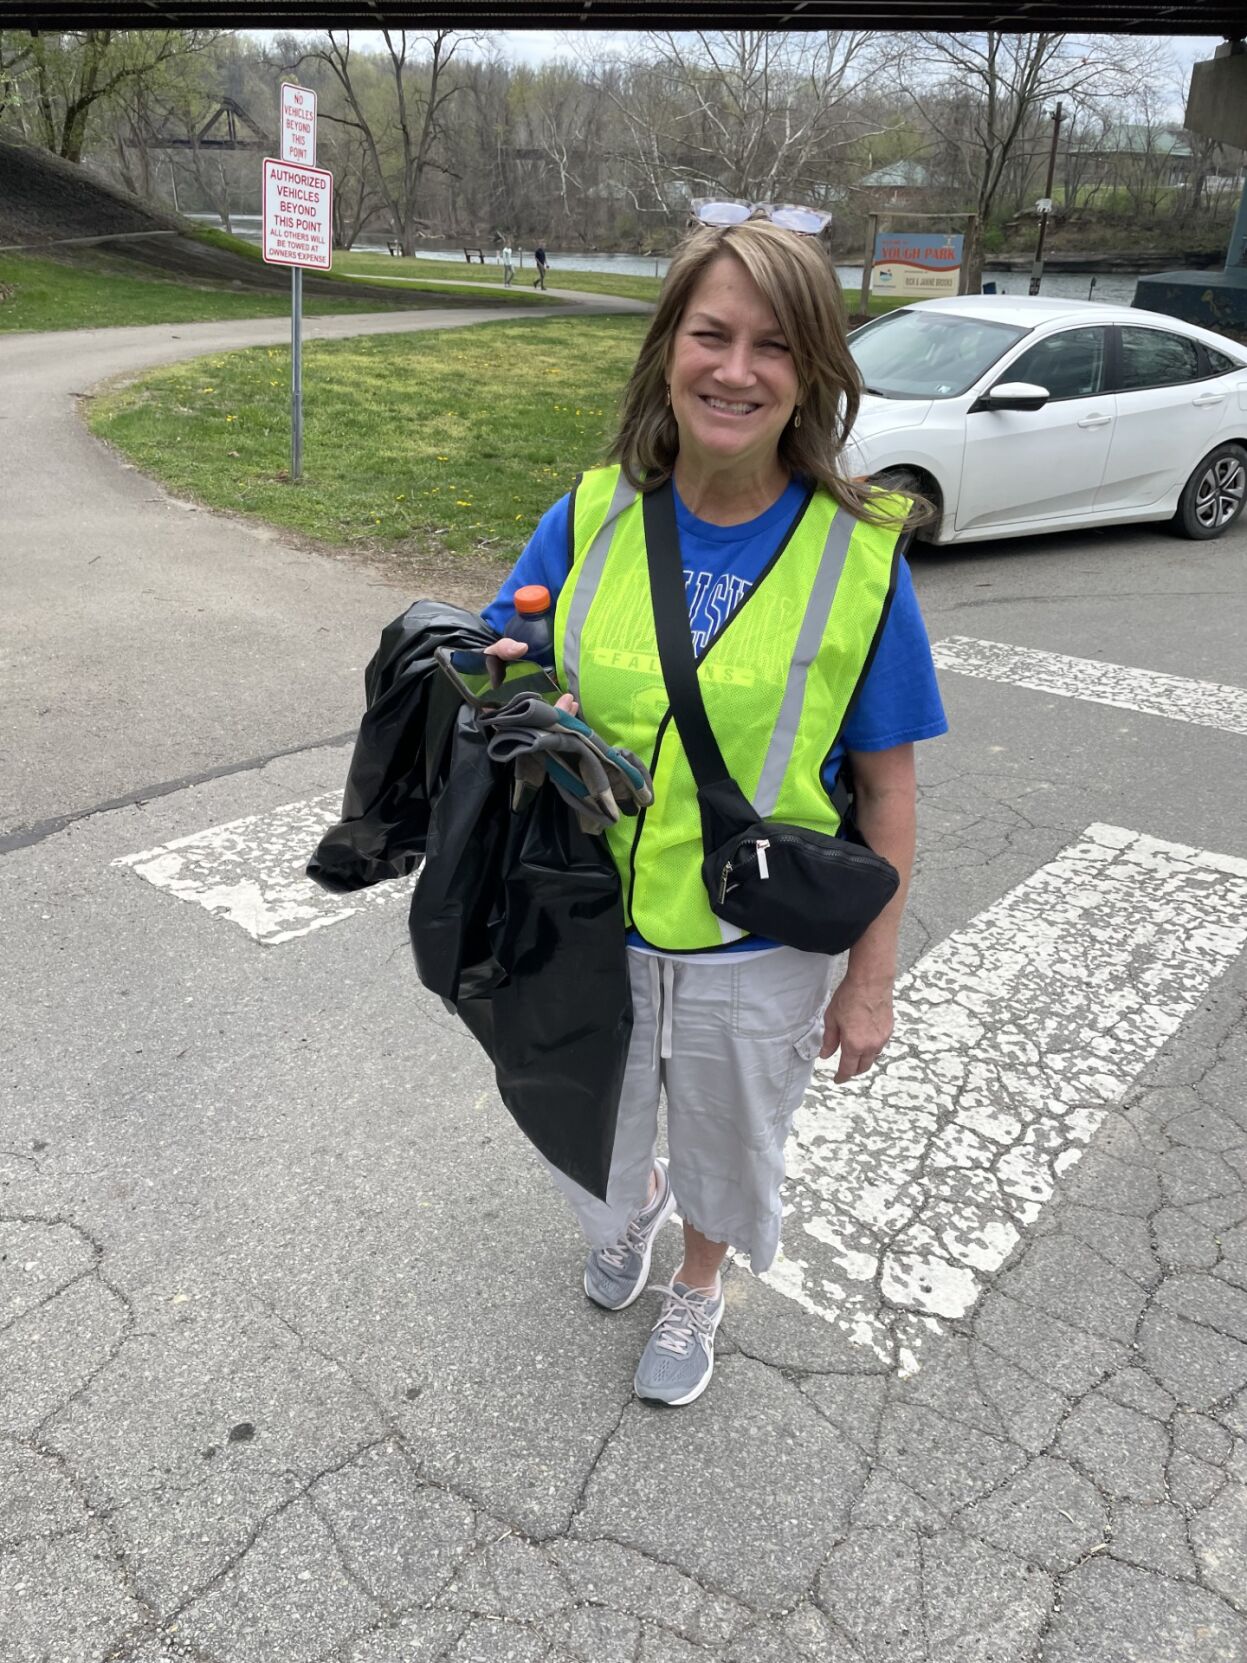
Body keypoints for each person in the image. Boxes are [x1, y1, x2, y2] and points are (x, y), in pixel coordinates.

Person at [481, 218, 946, 1407]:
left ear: (812, 378)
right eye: (711, 334)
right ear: (667, 349)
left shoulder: (856, 554)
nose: (735, 370)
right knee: (601, 1112)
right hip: (592, 919)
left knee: (729, 1142)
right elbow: (506, 664)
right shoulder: (587, 517)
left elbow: (886, 786)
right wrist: (504, 678)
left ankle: (698, 1282)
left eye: (773, 346)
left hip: (758, 938)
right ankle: (626, 1211)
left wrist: (869, 980)